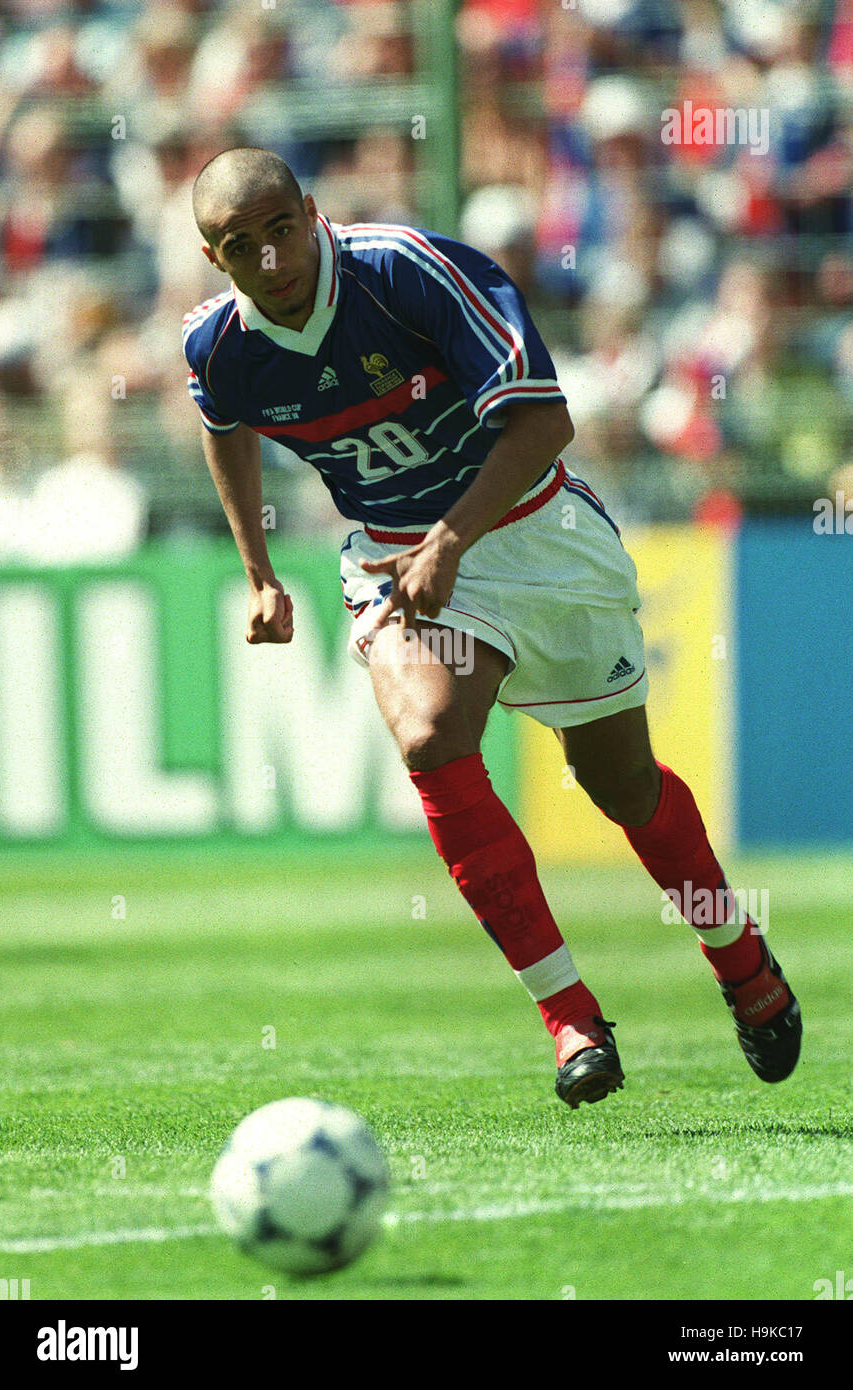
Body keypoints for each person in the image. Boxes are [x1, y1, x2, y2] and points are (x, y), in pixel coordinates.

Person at [182, 147, 801, 1109]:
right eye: (238, 246)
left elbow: (545, 424)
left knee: (622, 786)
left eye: (279, 230)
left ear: (312, 212)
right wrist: (258, 572)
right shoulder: (217, 345)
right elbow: (221, 420)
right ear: (211, 256)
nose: (268, 262)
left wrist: (452, 537)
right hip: (397, 557)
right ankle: (569, 1017)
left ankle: (740, 955)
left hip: (537, 535)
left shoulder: (408, 272)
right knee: (430, 733)